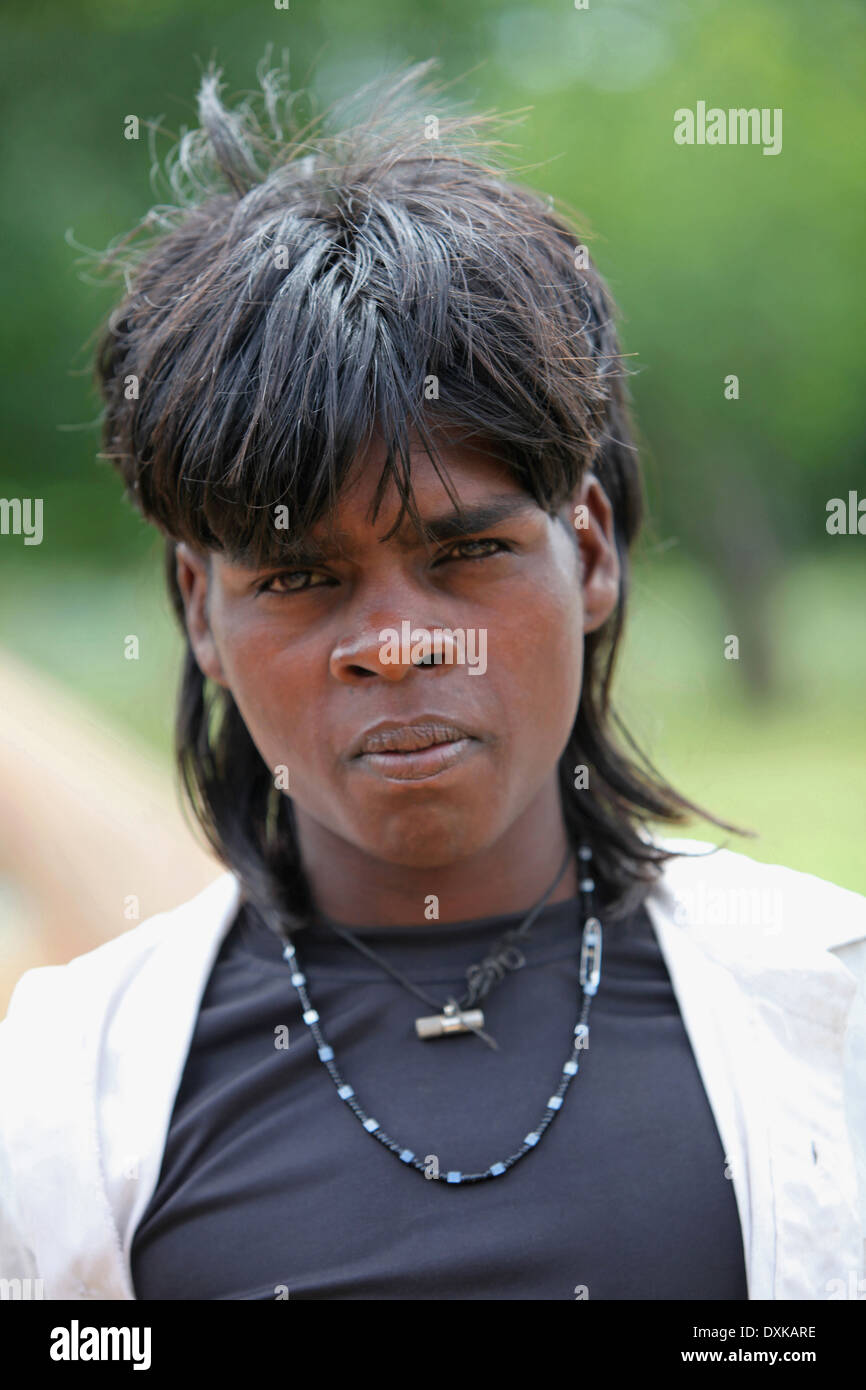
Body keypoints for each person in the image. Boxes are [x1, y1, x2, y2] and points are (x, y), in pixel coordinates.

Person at [1, 56, 864, 1303]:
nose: (399, 643)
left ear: (588, 551)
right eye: (300, 576)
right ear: (199, 607)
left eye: (464, 554)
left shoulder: (824, 1015)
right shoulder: (60, 1104)